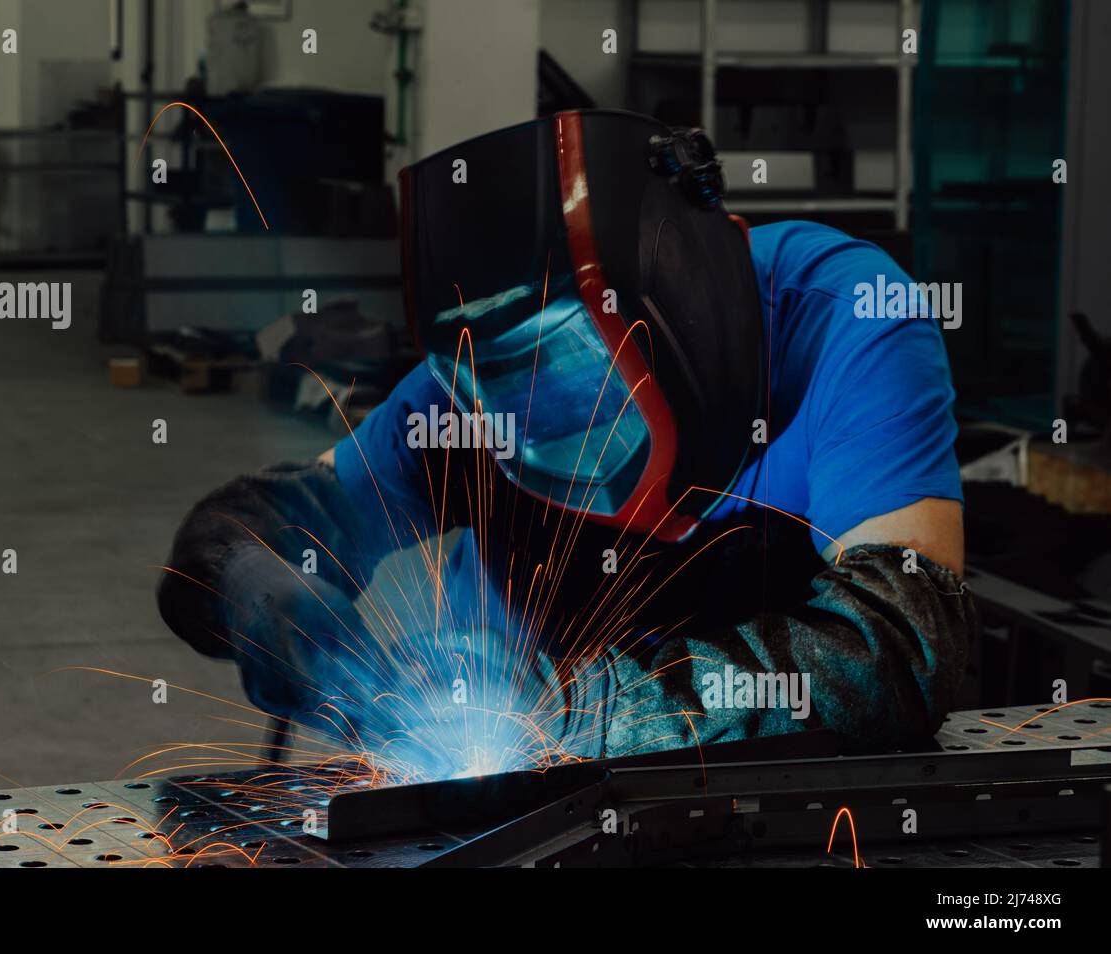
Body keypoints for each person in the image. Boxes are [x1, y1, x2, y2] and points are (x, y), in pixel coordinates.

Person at [157, 111, 975, 766]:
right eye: (504, 388)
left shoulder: (847, 319)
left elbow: (899, 652)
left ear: (678, 318)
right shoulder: (473, 393)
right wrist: (254, 587)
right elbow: (258, 524)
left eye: (572, 380)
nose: (540, 425)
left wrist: (569, 709)